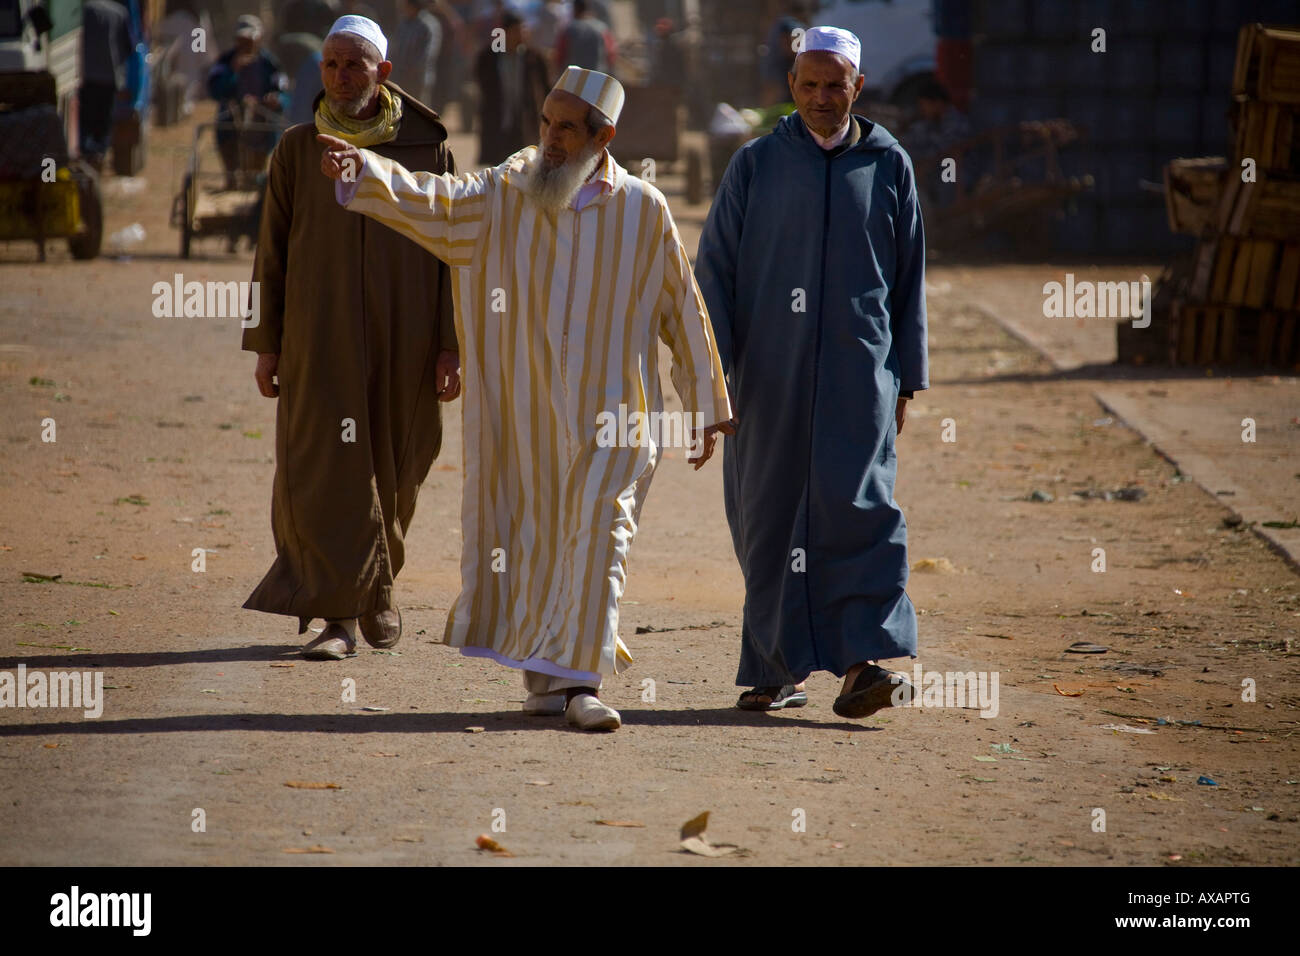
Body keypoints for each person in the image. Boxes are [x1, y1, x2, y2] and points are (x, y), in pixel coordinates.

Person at [318, 66, 733, 730]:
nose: (550, 139)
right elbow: (441, 204)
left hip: (618, 418)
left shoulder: (643, 209)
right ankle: (547, 682)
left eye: (566, 128)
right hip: (527, 411)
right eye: (545, 122)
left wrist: (707, 404)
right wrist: (363, 172)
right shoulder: (509, 188)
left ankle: (579, 685)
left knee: (602, 531)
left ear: (606, 136)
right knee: (538, 543)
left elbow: (683, 309)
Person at [694, 26, 927, 719]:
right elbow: (714, 277)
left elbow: (909, 280)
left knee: (858, 512)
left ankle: (863, 664)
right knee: (768, 519)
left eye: (836, 85)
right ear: (790, 88)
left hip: (861, 375)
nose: (823, 98)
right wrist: (714, 378)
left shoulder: (889, 165)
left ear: (858, 87)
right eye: (809, 85)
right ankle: (775, 666)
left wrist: (906, 377)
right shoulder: (757, 165)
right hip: (766, 376)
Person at [243, 15, 461, 661]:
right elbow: (271, 256)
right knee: (323, 471)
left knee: (397, 468)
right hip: (320, 338)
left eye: (354, 65)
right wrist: (268, 344)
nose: (340, 77)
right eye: (332, 64)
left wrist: (452, 345)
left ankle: (378, 589)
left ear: (383, 73)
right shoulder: (294, 150)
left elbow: (454, 253)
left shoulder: (428, 153)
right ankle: (336, 615)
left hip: (408, 336)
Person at [206, 15, 286, 188]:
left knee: (255, 177)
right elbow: (214, 89)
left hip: (261, 129)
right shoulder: (225, 62)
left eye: (250, 39)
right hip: (230, 126)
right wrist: (233, 72)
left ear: (259, 39)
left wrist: (275, 100)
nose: (246, 44)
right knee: (233, 175)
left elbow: (282, 91)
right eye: (241, 40)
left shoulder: (269, 64)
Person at [473, 10, 550, 164]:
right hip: (498, 124)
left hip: (527, 124)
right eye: (516, 31)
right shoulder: (488, 57)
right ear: (505, 33)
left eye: (523, 30)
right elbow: (482, 86)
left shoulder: (535, 58)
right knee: (497, 171)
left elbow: (546, 89)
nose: (521, 35)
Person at [79, 0, 133, 172]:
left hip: (86, 76)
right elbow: (129, 47)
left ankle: (87, 155)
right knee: (104, 120)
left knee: (86, 118)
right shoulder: (120, 12)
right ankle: (99, 157)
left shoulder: (83, 10)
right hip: (109, 78)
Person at [392, 0, 442, 107]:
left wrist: (414, 68)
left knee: (419, 109)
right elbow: (397, 48)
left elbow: (429, 53)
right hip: (401, 75)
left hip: (419, 77)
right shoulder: (403, 24)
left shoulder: (429, 25)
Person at [554, 0, 616, 74]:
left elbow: (560, 54)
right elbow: (610, 53)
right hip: (598, 76)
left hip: (574, 77)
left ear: (575, 9)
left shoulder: (569, 29)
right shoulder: (601, 28)